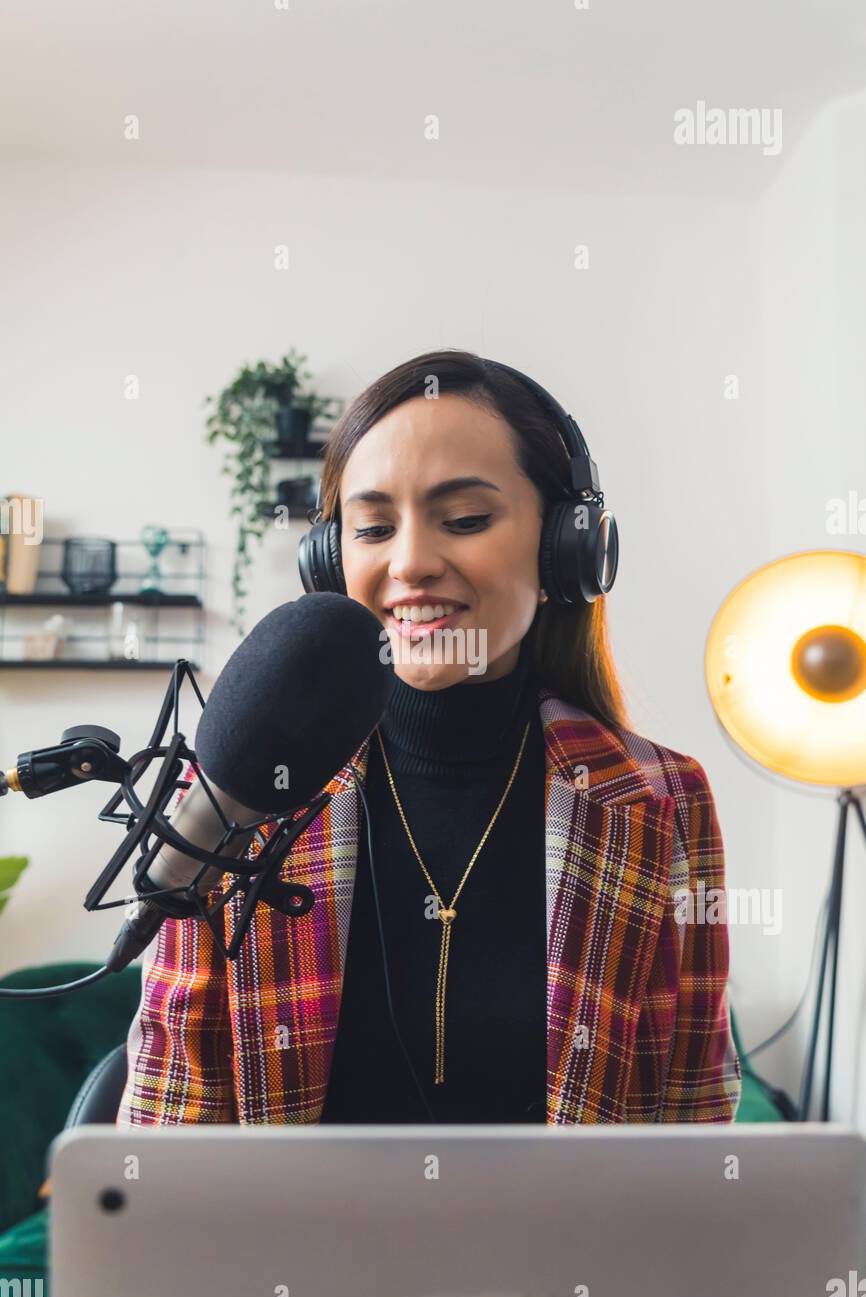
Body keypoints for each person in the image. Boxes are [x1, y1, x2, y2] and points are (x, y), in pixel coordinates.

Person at [117, 349, 741, 1128]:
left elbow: (694, 1119)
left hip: (563, 1252)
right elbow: (171, 1128)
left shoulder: (663, 800)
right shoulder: (238, 789)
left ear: (566, 550)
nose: (410, 563)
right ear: (329, 562)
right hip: (299, 1251)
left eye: (467, 520)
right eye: (373, 527)